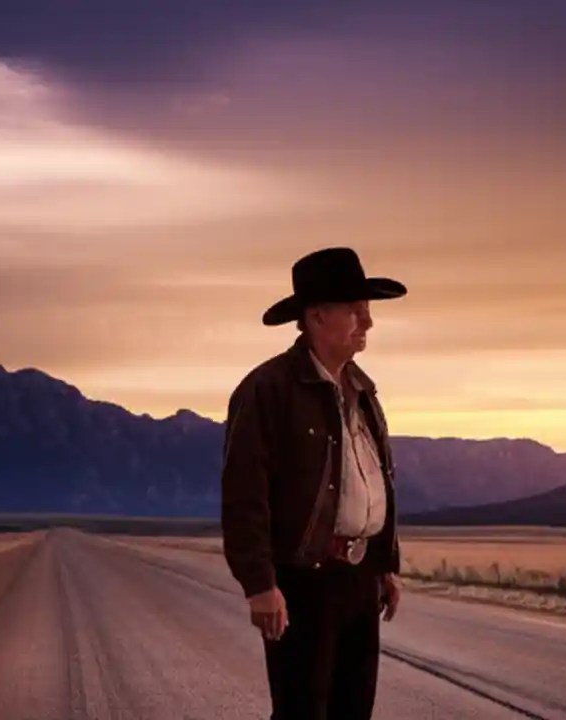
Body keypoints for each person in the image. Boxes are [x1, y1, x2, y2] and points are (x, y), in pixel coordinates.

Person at [221, 246, 406, 720]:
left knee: (353, 711)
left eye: (367, 310)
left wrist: (384, 565)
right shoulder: (268, 389)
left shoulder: (363, 391)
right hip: (303, 581)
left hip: (360, 580)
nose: (368, 322)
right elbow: (244, 494)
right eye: (355, 310)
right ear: (317, 316)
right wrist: (260, 585)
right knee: (302, 712)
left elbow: (374, 479)